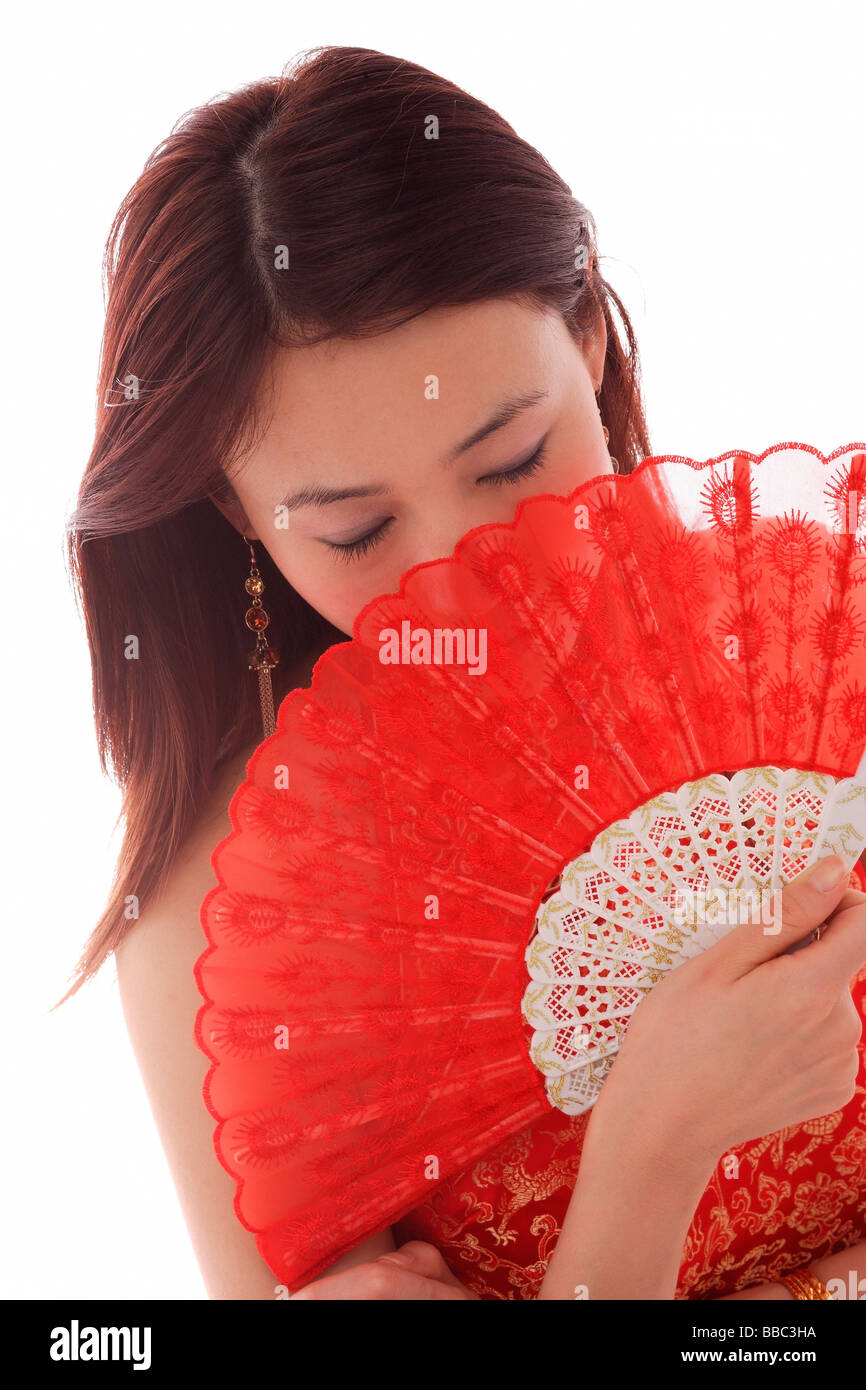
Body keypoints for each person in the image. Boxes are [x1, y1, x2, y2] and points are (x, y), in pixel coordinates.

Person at [62, 45, 866, 1300]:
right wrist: (650, 1149)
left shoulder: (809, 633)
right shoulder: (220, 915)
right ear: (237, 513)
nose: (468, 577)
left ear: (590, 339)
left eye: (508, 457)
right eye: (354, 533)